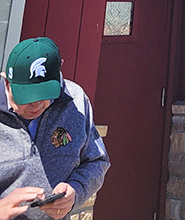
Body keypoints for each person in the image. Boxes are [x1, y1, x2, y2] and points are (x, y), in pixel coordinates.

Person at [0, 38, 110, 218]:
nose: (35, 106)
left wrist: (75, 191)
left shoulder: (76, 101)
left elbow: (97, 161)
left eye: (44, 95)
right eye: (26, 96)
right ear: (6, 82)